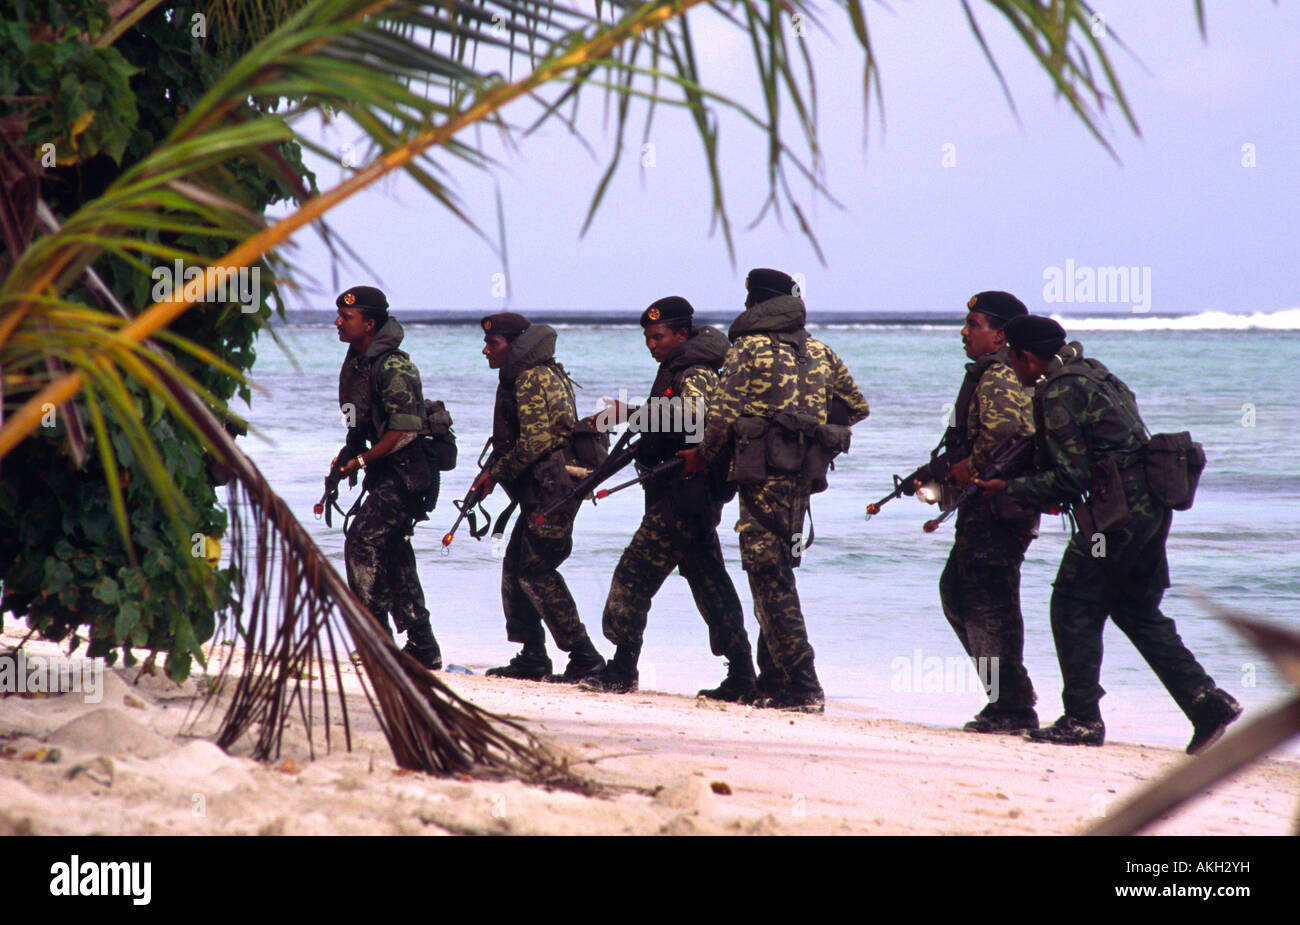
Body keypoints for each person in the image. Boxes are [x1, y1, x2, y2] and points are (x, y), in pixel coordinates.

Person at [974, 315, 1242, 753]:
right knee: (1135, 609)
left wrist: (1011, 488)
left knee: (1072, 602)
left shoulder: (1059, 389)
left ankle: (1082, 719)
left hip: (1116, 517)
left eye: (1012, 359)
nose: (1012, 369)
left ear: (1024, 355)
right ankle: (1207, 702)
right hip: (1152, 507)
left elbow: (1069, 476)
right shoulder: (1092, 372)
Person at [679, 269, 869, 712]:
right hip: (803, 480)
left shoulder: (748, 349)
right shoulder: (821, 352)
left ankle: (802, 684)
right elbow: (857, 407)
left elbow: (723, 414)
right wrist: (810, 423)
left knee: (770, 579)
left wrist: (703, 455)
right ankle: (775, 679)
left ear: (756, 305)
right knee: (777, 570)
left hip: (762, 477)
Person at [581, 297, 757, 700]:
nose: (651, 344)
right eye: (647, 336)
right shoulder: (681, 367)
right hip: (687, 496)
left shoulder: (694, 370)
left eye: (658, 336)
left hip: (683, 496)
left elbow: (695, 415)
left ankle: (622, 669)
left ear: (682, 333)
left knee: (633, 575)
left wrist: (631, 414)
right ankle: (743, 673)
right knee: (709, 581)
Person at [919, 291, 1041, 734]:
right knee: (958, 592)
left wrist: (962, 470)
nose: (964, 332)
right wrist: (943, 477)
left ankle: (1012, 704)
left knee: (989, 603)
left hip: (999, 505)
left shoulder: (1000, 375)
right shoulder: (993, 373)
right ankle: (1007, 696)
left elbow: (1006, 435)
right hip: (986, 504)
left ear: (1001, 334)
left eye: (974, 324)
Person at [472, 312, 606, 683]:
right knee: (515, 565)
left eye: (492, 343)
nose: (485, 351)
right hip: (545, 489)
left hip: (553, 491)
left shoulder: (530, 377)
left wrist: (495, 473)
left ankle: (585, 657)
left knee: (536, 570)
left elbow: (536, 441)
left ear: (514, 345)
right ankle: (532, 655)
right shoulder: (540, 371)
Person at [331, 285, 441, 669]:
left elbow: (404, 431)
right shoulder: (359, 362)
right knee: (394, 554)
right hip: (385, 473)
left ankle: (377, 641)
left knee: (361, 542)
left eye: (347, 317)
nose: (338, 322)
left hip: (408, 476)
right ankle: (423, 646)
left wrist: (360, 462)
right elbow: (363, 424)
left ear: (370, 323)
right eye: (340, 316)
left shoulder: (394, 366)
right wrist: (348, 455)